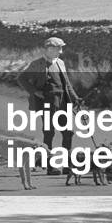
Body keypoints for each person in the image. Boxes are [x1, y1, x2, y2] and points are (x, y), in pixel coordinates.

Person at [18, 36, 81, 174]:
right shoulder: (37, 64)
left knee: (68, 133)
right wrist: (35, 92)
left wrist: (75, 98)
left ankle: (67, 165)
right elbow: (22, 78)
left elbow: (66, 84)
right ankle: (50, 166)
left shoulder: (60, 63)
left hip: (63, 100)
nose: (61, 51)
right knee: (49, 132)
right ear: (49, 49)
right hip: (47, 101)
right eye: (59, 48)